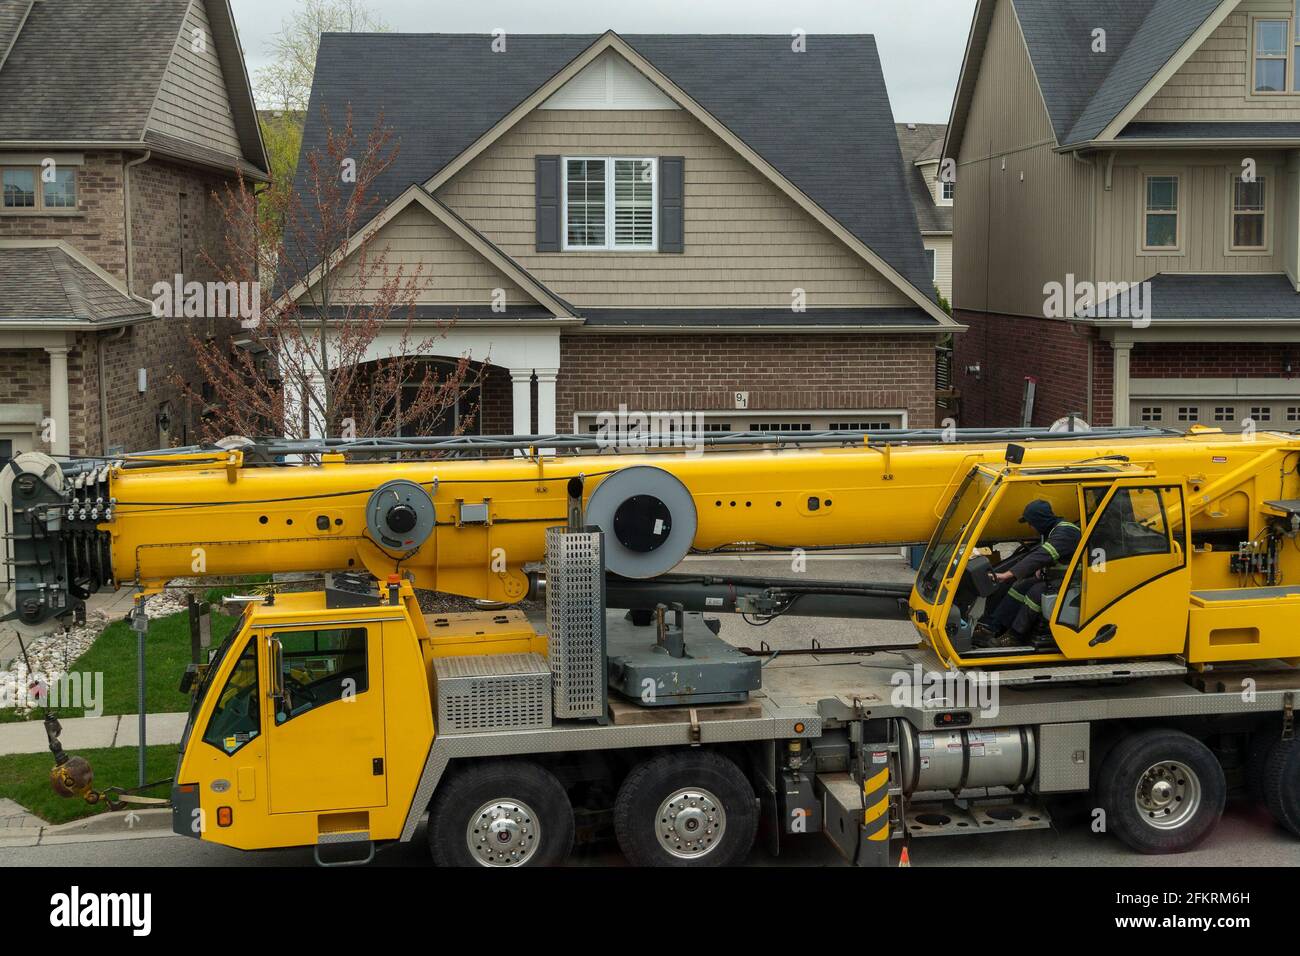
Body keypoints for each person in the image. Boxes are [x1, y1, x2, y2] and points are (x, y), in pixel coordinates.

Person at [973, 500, 1081, 649]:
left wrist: (1007, 574)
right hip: (1059, 578)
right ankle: (993, 627)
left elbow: (1043, 555)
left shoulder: (1066, 532)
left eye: (1031, 522)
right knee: (1021, 586)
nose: (1031, 527)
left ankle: (1015, 637)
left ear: (1039, 520)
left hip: (1075, 581)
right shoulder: (1054, 530)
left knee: (1035, 592)